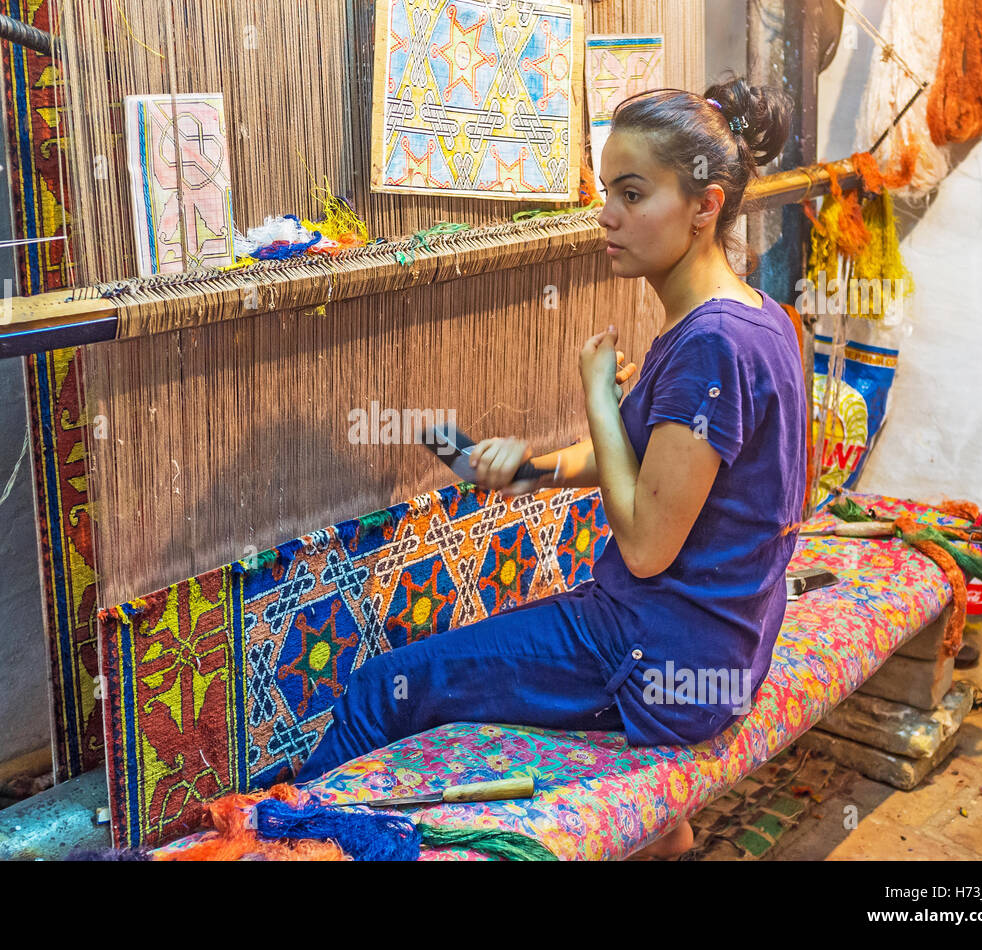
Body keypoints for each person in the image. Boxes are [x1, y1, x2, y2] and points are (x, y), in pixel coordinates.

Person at [297, 73, 805, 860]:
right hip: (717, 651)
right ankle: (665, 841)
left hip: (656, 660)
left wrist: (598, 394)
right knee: (651, 823)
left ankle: (278, 842)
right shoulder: (756, 317)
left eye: (633, 194)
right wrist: (528, 470)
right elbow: (647, 468)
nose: (607, 215)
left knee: (380, 689)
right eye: (608, 190)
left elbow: (645, 546)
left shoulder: (711, 347)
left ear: (705, 207)